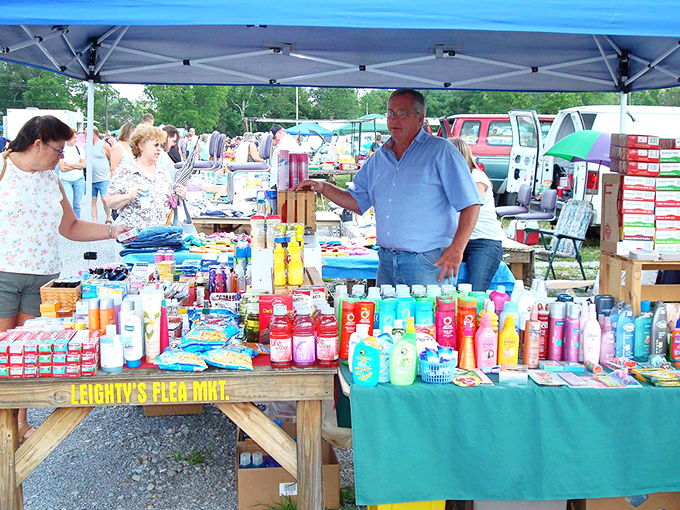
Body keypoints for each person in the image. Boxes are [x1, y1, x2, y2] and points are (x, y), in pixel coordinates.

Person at [0, 116, 133, 442]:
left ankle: (19, 423)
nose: (62, 158)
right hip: (4, 274)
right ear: (37, 144)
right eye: (58, 151)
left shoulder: (52, 179)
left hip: (45, 279)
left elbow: (70, 227)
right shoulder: (3, 170)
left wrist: (112, 230)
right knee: (3, 359)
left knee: (28, 357)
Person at [295, 88, 482, 286]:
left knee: (427, 317)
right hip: (386, 262)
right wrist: (322, 187)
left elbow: (471, 204)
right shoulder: (379, 157)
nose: (394, 119)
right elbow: (357, 202)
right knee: (385, 317)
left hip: (428, 263)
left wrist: (457, 248)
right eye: (390, 113)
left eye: (402, 113)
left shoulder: (441, 152)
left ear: (420, 118)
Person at [104, 125, 187, 230]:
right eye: (155, 145)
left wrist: (180, 195)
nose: (159, 149)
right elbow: (110, 201)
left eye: (160, 146)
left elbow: (171, 202)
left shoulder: (163, 171)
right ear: (140, 145)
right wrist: (129, 196)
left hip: (161, 237)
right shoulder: (125, 171)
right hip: (135, 239)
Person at [450, 138, 505, 291]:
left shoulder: (476, 177)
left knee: (475, 291)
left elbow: (472, 204)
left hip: (483, 241)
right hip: (458, 239)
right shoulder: (450, 179)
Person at [58, 134, 86, 218]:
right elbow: (62, 167)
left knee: (77, 204)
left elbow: (82, 165)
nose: (75, 139)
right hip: (66, 179)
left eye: (76, 137)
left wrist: (69, 164)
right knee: (68, 202)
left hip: (78, 179)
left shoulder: (79, 149)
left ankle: (77, 220)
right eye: (73, 137)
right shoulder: (63, 150)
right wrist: (76, 166)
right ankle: (68, 221)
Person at [90, 126, 113, 224]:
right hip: (91, 178)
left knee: (104, 198)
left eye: (87, 133)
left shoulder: (104, 145)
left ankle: (108, 217)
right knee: (93, 199)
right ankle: (94, 221)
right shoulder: (86, 146)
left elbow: (111, 158)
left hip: (103, 176)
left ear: (94, 134)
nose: (85, 135)